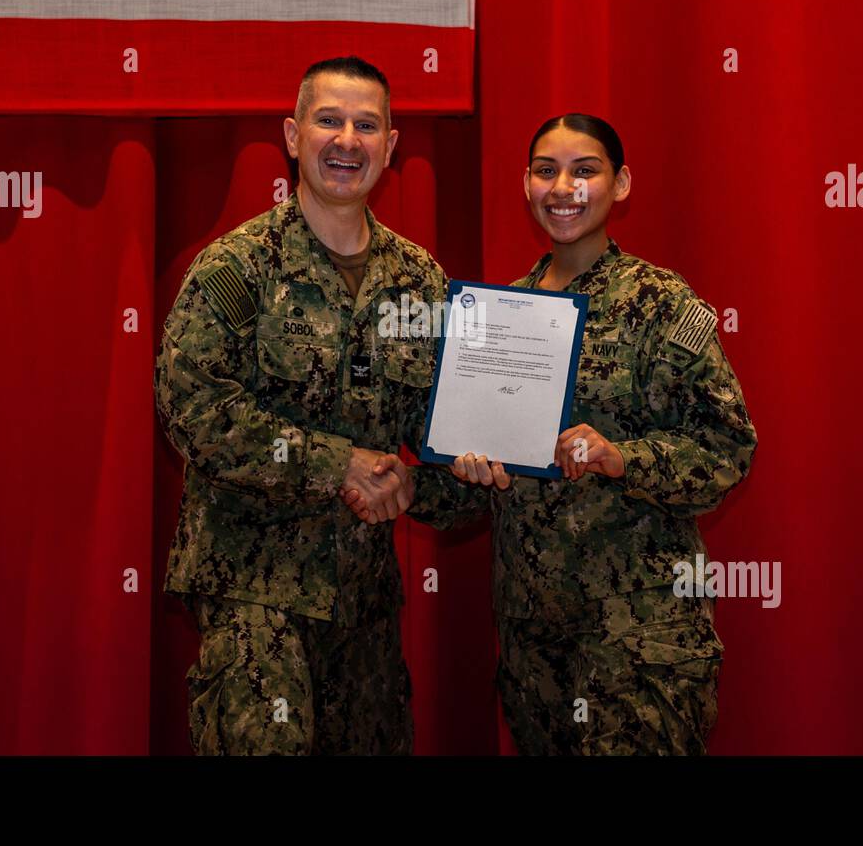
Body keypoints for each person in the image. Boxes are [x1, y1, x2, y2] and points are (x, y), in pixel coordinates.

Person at [347, 113, 758, 755]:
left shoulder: (661, 304)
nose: (563, 186)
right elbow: (478, 483)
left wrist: (624, 457)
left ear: (620, 185)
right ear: (526, 184)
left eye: (585, 170)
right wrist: (425, 481)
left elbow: (728, 449)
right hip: (535, 636)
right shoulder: (501, 312)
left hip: (637, 631)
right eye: (546, 171)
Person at [155, 56, 459, 755]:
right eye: (328, 120)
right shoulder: (236, 269)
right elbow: (193, 409)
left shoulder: (420, 281)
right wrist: (337, 464)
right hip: (256, 600)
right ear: (293, 136)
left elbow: (443, 427)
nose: (346, 140)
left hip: (366, 609)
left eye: (366, 124)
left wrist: (428, 482)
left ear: (391, 144)